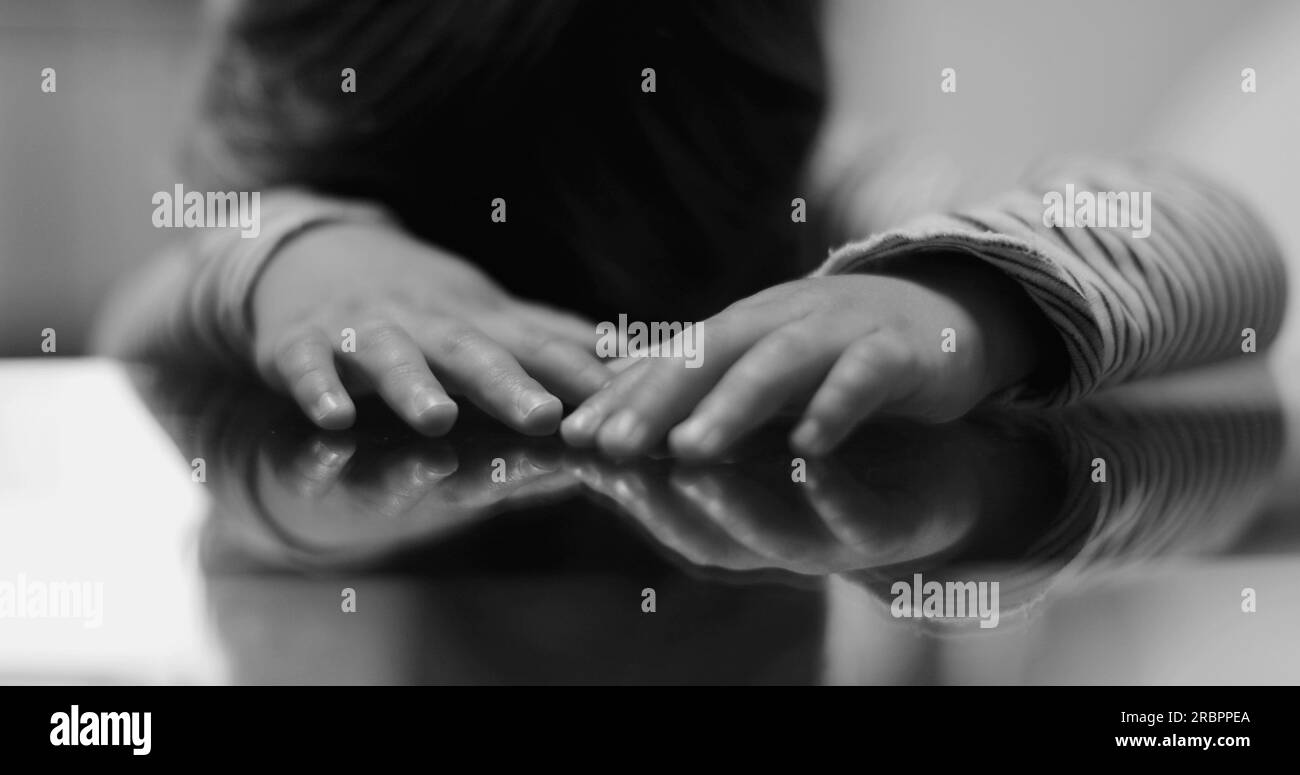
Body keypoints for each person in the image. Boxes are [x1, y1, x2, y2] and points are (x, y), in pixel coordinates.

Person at [96, 0, 1287, 459]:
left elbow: (1221, 239)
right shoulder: (300, 237)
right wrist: (299, 253)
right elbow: (143, 317)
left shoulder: (816, 193)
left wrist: (950, 303)